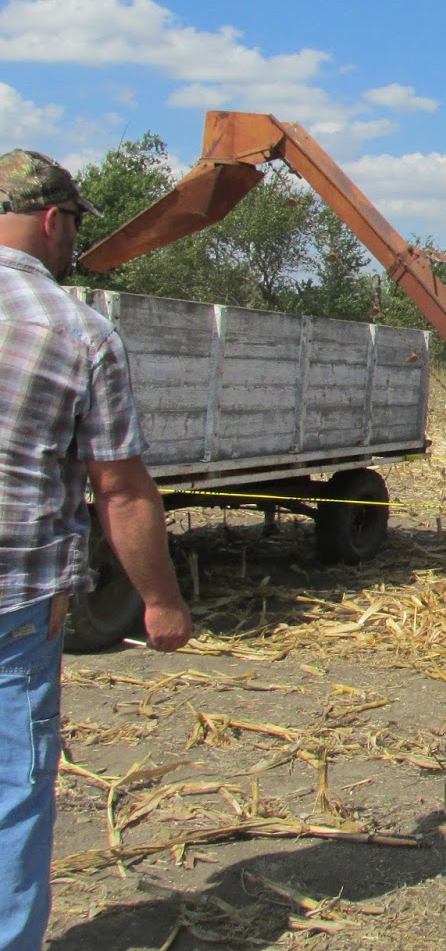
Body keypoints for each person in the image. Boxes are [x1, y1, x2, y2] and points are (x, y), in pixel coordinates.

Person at [0, 149, 193, 949]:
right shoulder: (78, 332)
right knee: (13, 788)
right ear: (53, 219)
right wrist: (160, 599)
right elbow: (119, 489)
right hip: (16, 602)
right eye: (75, 223)